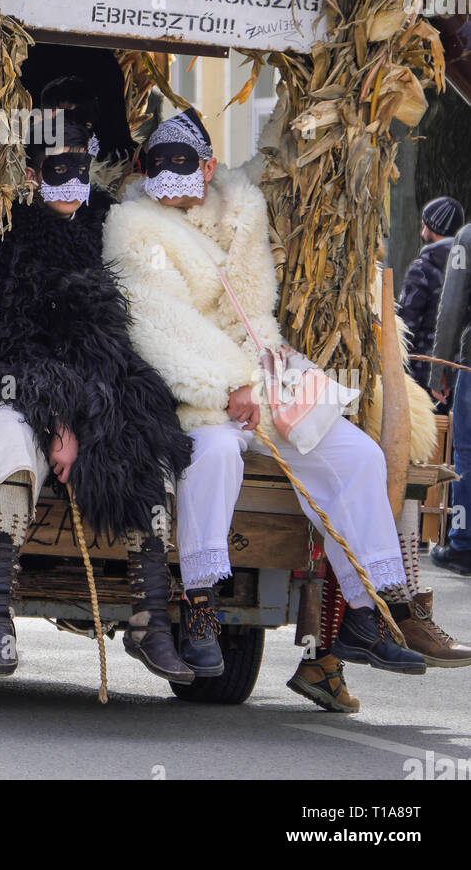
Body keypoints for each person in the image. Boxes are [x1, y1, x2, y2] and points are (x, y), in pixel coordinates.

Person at [103, 107, 428, 682]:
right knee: (216, 454)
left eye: (186, 172)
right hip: (189, 391)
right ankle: (199, 607)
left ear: (207, 170)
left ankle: (366, 611)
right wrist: (225, 383)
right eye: (163, 172)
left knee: (359, 457)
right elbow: (155, 322)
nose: (174, 189)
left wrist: (290, 114)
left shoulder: (239, 206)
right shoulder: (133, 227)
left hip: (263, 379)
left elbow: (275, 159)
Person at [0, 116, 193, 681]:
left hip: (92, 393)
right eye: (58, 168)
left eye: (80, 168)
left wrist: (92, 412)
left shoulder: (102, 232)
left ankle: (150, 620)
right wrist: (57, 421)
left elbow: (106, 343)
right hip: (14, 389)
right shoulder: (11, 242)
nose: (71, 180)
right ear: (33, 175)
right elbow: (2, 347)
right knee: (9, 439)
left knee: (146, 441)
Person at [428, 216, 471, 577]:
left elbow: (452, 307)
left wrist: (439, 366)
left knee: (467, 454)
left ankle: (463, 544)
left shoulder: (468, 238)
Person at [397, 197, 464, 389]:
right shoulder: (465, 268)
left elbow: (406, 327)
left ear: (431, 228)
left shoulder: (422, 270)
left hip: (422, 372)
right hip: (459, 371)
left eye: (424, 223)